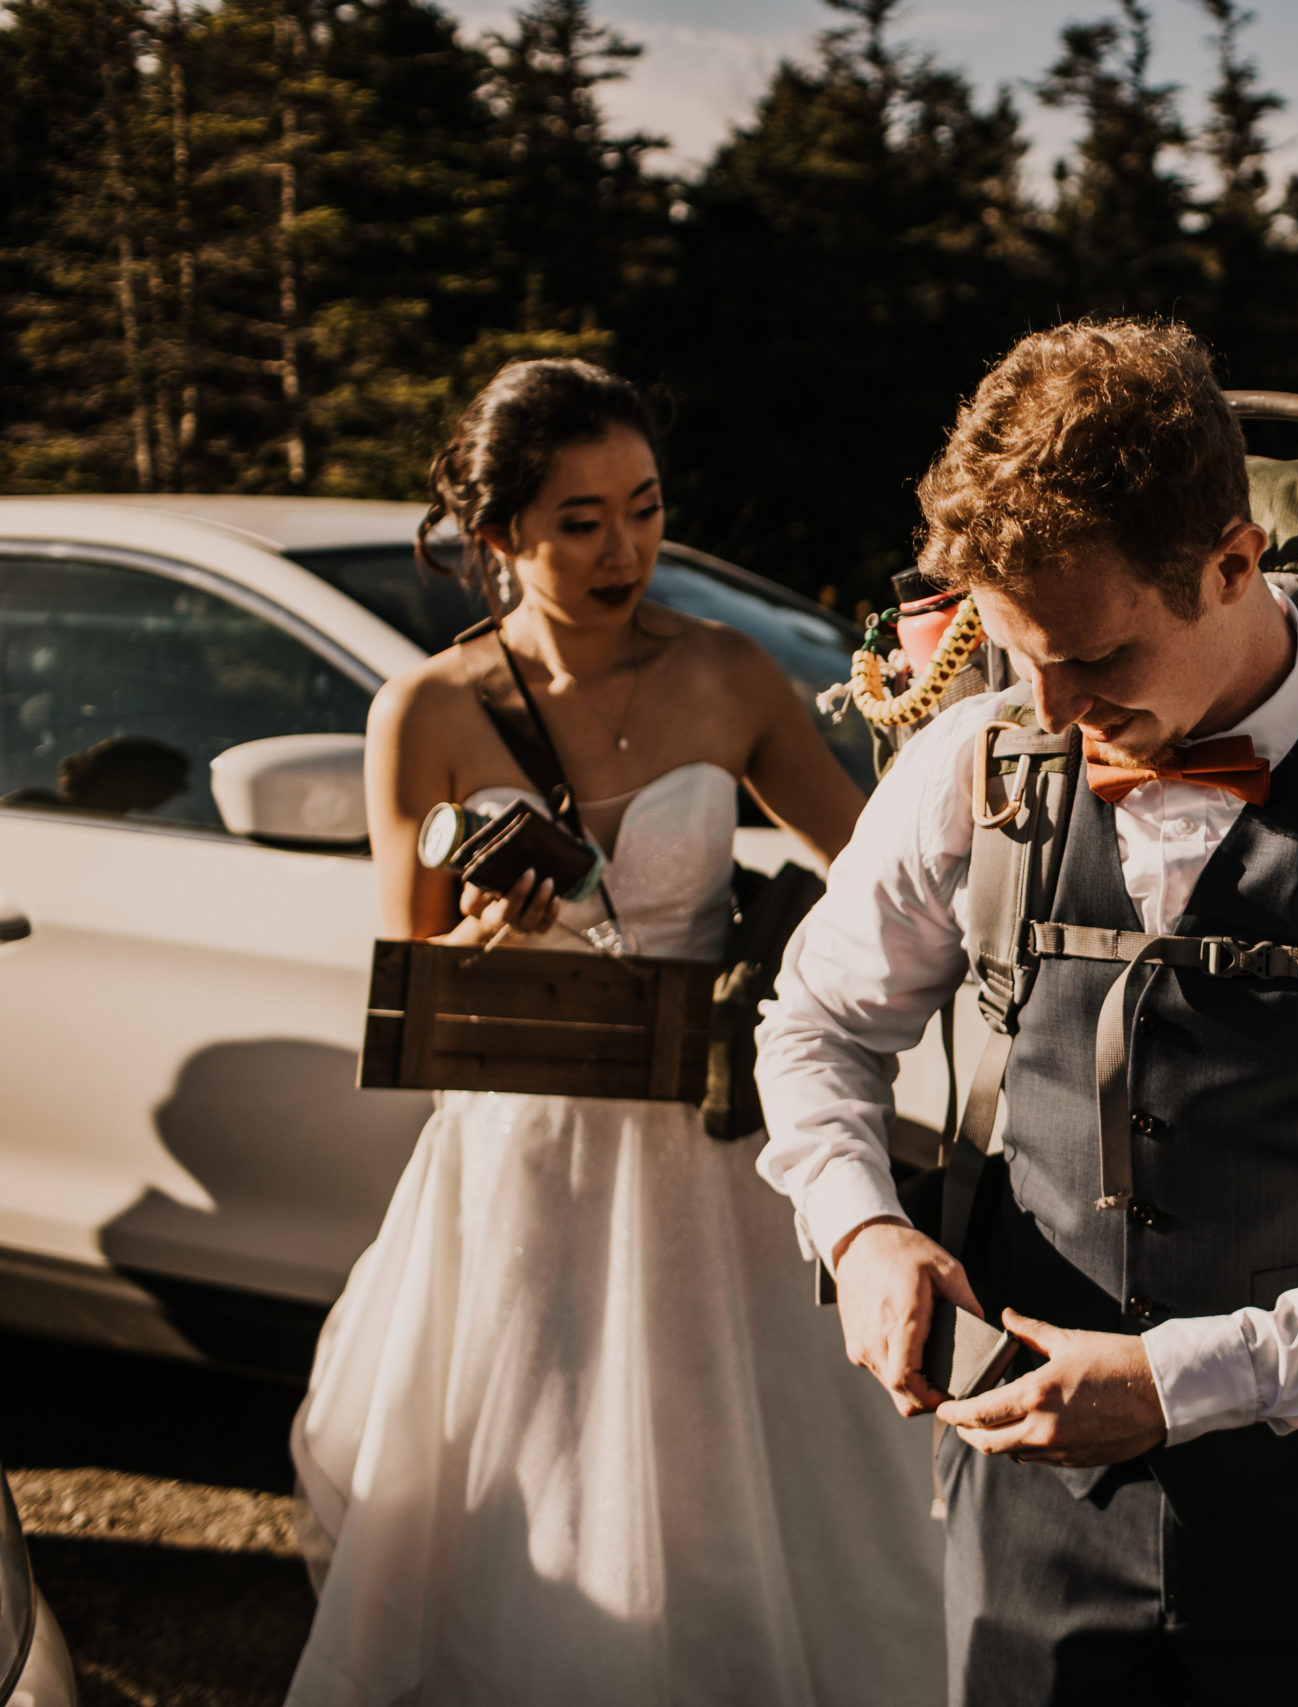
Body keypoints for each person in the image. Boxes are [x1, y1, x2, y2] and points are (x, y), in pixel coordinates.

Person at [755, 319, 1298, 1704]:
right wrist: (858, 1231)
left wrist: (1180, 1382)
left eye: (1094, 655)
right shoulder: (979, 763)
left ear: (1232, 561)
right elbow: (814, 1024)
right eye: (1021, 655)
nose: (1051, 705)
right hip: (1012, 1529)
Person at [288, 358, 944, 1706]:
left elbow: (883, 871)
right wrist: (487, 935)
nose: (624, 549)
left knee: (735, 1486)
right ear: (501, 534)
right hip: (531, 1160)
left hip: (715, 1148)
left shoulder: (728, 672)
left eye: (644, 508)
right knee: (540, 1477)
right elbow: (410, 974)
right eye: (580, 520)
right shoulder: (427, 709)